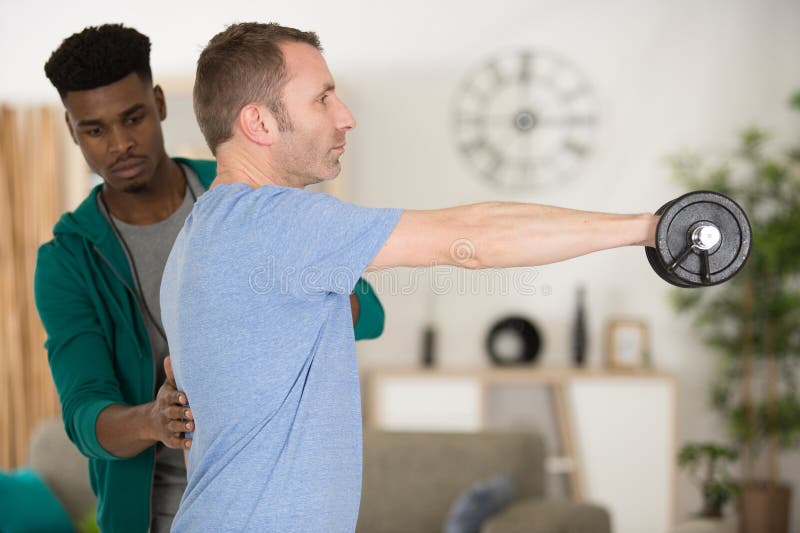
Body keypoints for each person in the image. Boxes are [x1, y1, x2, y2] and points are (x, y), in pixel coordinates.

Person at [160, 22, 659, 532]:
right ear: (259, 122)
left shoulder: (199, 237)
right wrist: (648, 229)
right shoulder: (273, 221)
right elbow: (472, 240)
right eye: (322, 99)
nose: (346, 117)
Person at [33, 23, 387, 533]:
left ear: (158, 103)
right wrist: (154, 420)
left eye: (133, 118)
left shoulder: (245, 189)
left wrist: (300, 302)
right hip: (155, 517)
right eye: (94, 130)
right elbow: (84, 416)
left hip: (274, 506)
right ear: (72, 131)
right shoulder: (69, 260)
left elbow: (368, 311)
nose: (120, 144)